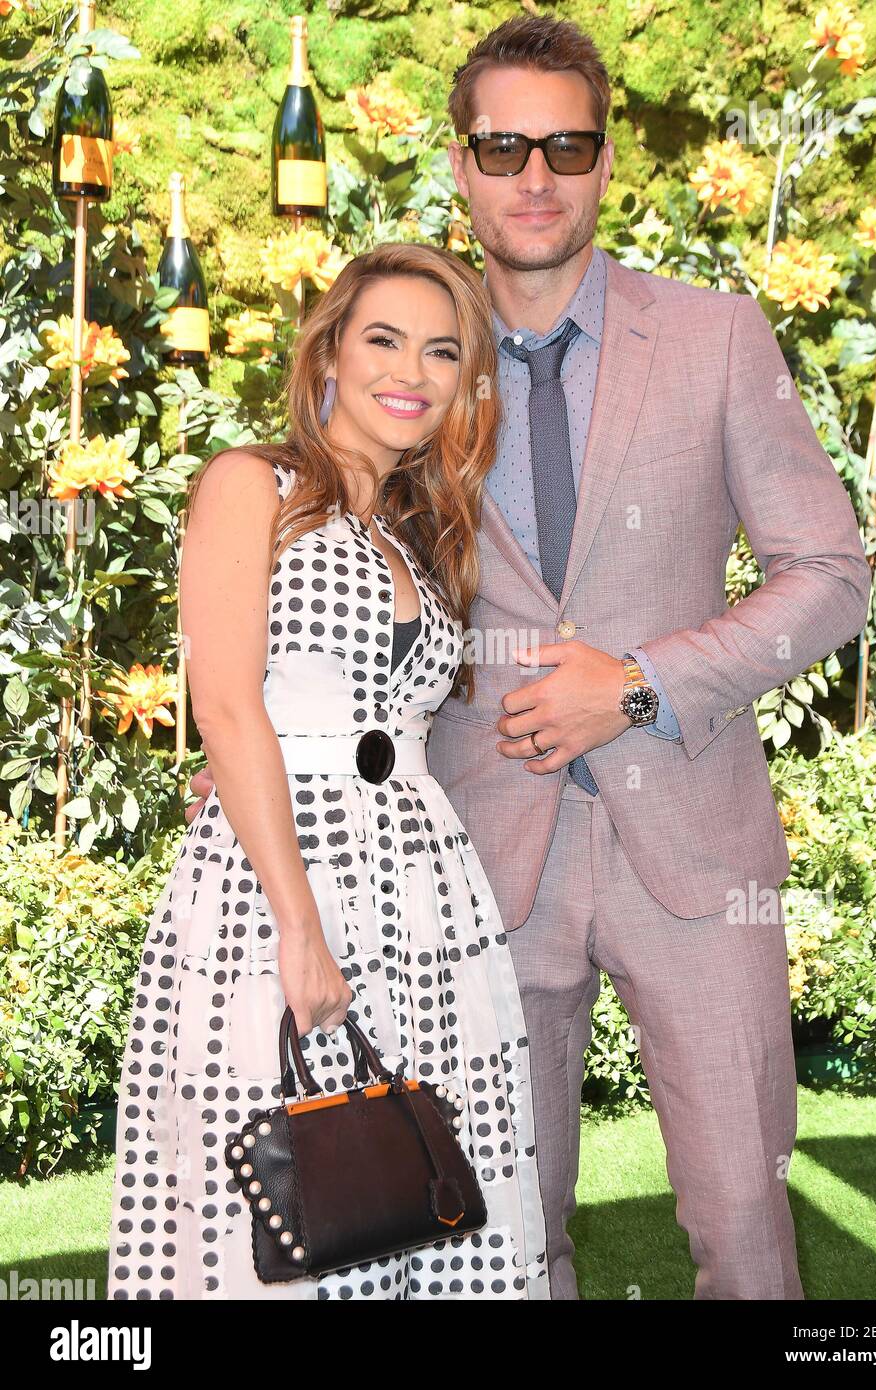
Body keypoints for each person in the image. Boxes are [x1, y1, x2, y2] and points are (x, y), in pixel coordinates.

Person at [191, 16, 872, 1300]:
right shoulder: (418, 365)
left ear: (607, 162)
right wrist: (261, 751)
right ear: (462, 165)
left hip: (697, 856)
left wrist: (639, 684)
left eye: (566, 144)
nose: (536, 175)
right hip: (466, 868)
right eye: (504, 145)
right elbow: (314, 584)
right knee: (503, 1238)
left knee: (741, 1224)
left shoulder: (719, 339)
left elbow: (830, 578)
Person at [106, 241, 550, 1300]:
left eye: (442, 351)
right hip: (280, 883)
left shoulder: (418, 535)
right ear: (329, 360)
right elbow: (224, 703)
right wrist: (299, 927)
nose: (411, 371)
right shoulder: (250, 483)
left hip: (424, 893)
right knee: (284, 1184)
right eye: (383, 340)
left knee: (420, 1172)